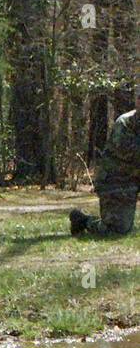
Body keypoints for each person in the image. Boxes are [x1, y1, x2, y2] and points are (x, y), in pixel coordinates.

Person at [69, 87, 140, 237]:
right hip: (118, 180)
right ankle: (83, 221)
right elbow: (130, 153)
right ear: (138, 102)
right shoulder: (125, 123)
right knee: (117, 231)